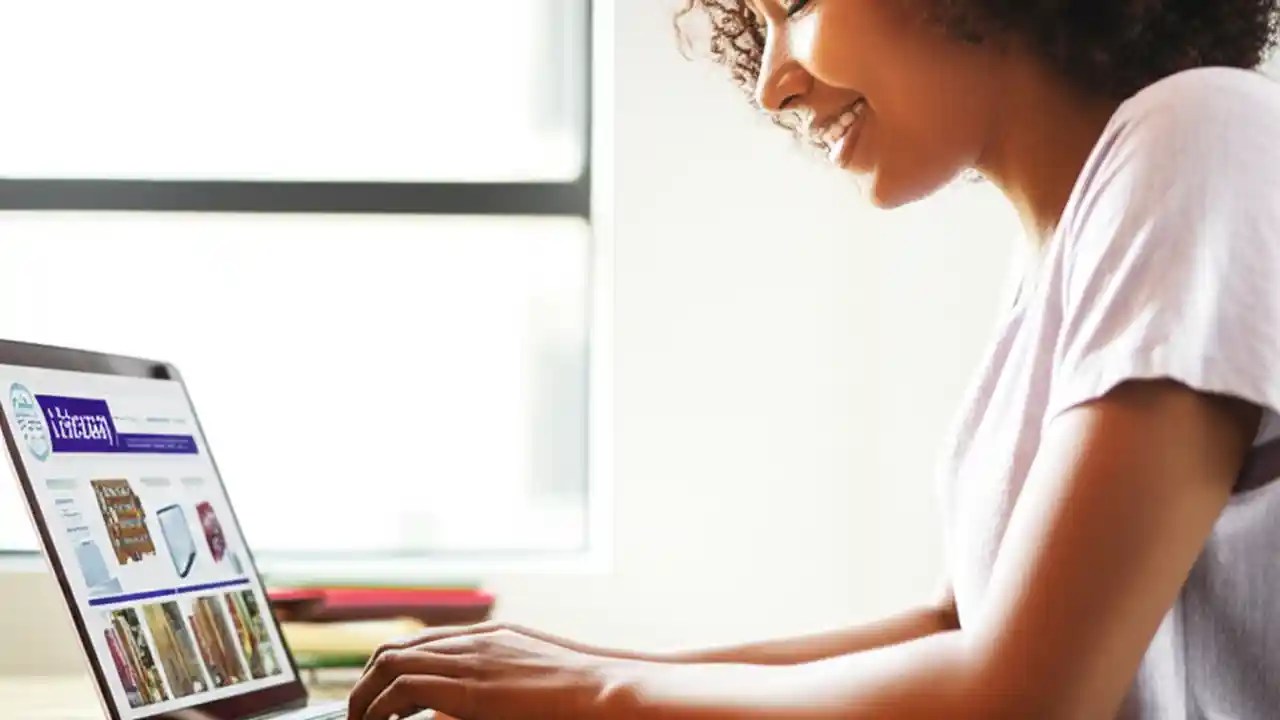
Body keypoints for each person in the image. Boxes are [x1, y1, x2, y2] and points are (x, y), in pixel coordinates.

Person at [346, 1, 1280, 718]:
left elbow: (1027, 693)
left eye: (793, 7)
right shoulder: (1063, 242)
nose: (771, 86)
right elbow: (960, 628)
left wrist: (598, 692)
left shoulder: (1199, 132)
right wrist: (595, 669)